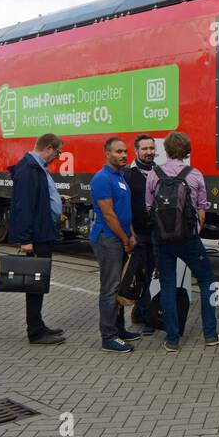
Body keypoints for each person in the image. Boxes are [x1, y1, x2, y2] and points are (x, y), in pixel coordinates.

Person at [143, 131, 219, 352]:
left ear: (167, 150)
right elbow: (202, 209)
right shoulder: (195, 175)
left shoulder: (154, 174)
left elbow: (149, 208)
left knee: (168, 285)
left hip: (163, 240)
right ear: (187, 150)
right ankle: (210, 334)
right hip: (189, 239)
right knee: (207, 280)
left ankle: (172, 340)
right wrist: (194, 231)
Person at [8, 133, 66, 345]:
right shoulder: (29, 169)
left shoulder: (36, 167)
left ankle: (39, 325)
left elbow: (37, 197)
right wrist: (25, 239)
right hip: (37, 236)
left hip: (43, 232)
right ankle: (35, 331)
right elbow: (23, 206)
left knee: (38, 283)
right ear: (49, 148)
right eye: (58, 152)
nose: (58, 157)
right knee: (35, 283)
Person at [91, 137, 141, 353]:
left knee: (119, 286)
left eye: (125, 151)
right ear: (107, 154)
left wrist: (132, 234)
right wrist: (124, 238)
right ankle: (108, 337)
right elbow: (109, 215)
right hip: (107, 238)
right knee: (110, 288)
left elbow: (123, 211)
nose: (123, 155)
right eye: (118, 151)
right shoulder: (102, 179)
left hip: (120, 236)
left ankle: (119, 329)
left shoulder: (120, 176)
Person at [123, 134, 160, 329]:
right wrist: (129, 234)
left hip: (154, 233)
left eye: (151, 148)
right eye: (144, 149)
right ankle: (140, 312)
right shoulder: (128, 174)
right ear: (136, 151)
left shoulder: (159, 172)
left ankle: (141, 312)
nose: (149, 152)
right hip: (136, 234)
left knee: (150, 275)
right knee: (138, 274)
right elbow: (123, 207)